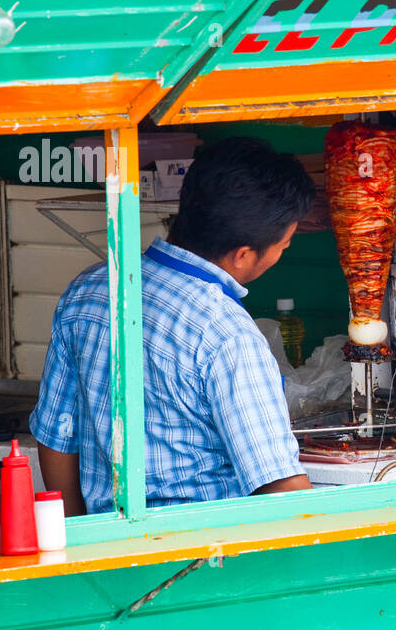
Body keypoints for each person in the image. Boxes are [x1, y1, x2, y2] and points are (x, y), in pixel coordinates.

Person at [30, 136, 314, 516]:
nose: (283, 252)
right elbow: (280, 488)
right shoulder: (227, 334)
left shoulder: (91, 289)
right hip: (202, 562)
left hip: (107, 550)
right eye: (285, 243)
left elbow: (56, 437)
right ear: (244, 254)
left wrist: (81, 541)